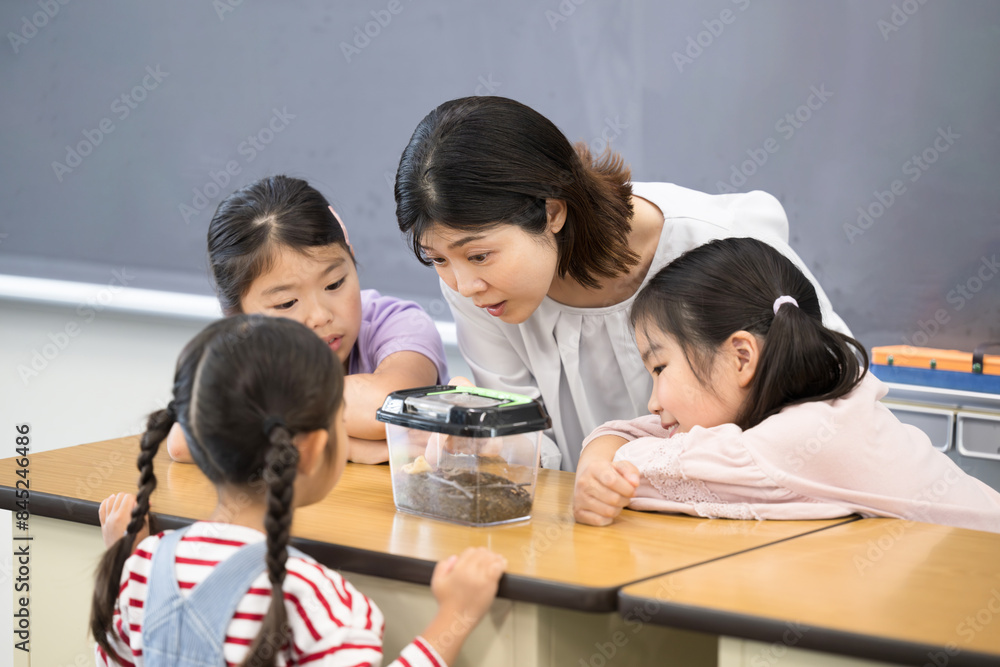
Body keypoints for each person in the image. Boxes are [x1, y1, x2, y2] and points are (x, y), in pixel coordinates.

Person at [394, 96, 849, 471]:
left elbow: (835, 393)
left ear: (552, 212)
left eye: (479, 255)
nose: (463, 284)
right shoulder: (477, 285)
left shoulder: (715, 241)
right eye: (436, 259)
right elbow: (531, 443)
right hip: (600, 522)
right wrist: (488, 444)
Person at [92, 315, 506, 666]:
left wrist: (126, 554)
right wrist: (456, 615)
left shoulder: (145, 566)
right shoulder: (314, 597)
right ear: (312, 451)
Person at [572, 237, 1000, 533]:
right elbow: (626, 434)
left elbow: (646, 469)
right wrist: (597, 465)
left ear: (741, 357)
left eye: (660, 368)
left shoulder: (802, 440)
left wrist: (600, 474)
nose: (652, 402)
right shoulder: (814, 406)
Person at [168, 175, 448, 465]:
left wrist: (262, 421)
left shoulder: (399, 324)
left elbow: (388, 404)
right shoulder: (245, 352)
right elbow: (183, 442)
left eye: (335, 284)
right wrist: (346, 448)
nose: (320, 316)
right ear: (239, 318)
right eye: (286, 303)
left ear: (351, 259)